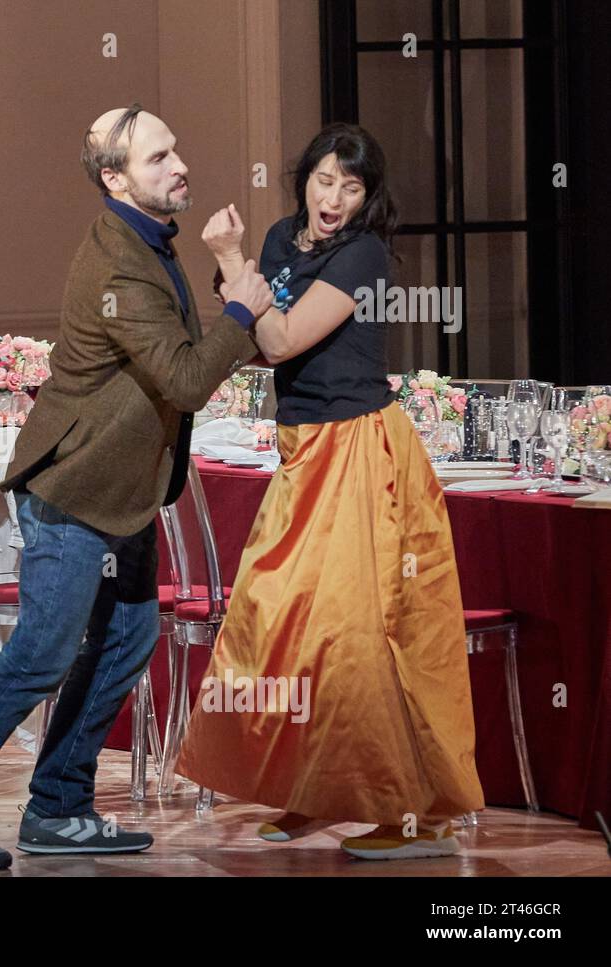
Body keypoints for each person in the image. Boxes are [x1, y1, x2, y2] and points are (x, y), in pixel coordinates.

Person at [0, 103, 272, 870]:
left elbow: (173, 363)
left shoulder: (147, 242)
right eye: (158, 157)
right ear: (114, 178)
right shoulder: (118, 262)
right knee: (40, 652)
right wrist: (241, 309)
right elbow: (188, 378)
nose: (179, 165)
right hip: (74, 490)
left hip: (119, 492)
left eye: (176, 149)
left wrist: (225, 270)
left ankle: (58, 806)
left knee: (127, 641)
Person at [177, 122, 485, 860]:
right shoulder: (285, 239)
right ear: (304, 180)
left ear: (366, 195)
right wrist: (243, 274)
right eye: (324, 180)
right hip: (302, 449)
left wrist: (226, 260)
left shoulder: (365, 254)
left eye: (351, 186)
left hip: (357, 450)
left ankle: (415, 815)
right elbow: (256, 333)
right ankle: (316, 789)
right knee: (280, 621)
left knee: (360, 639)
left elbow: (279, 339)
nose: (334, 198)